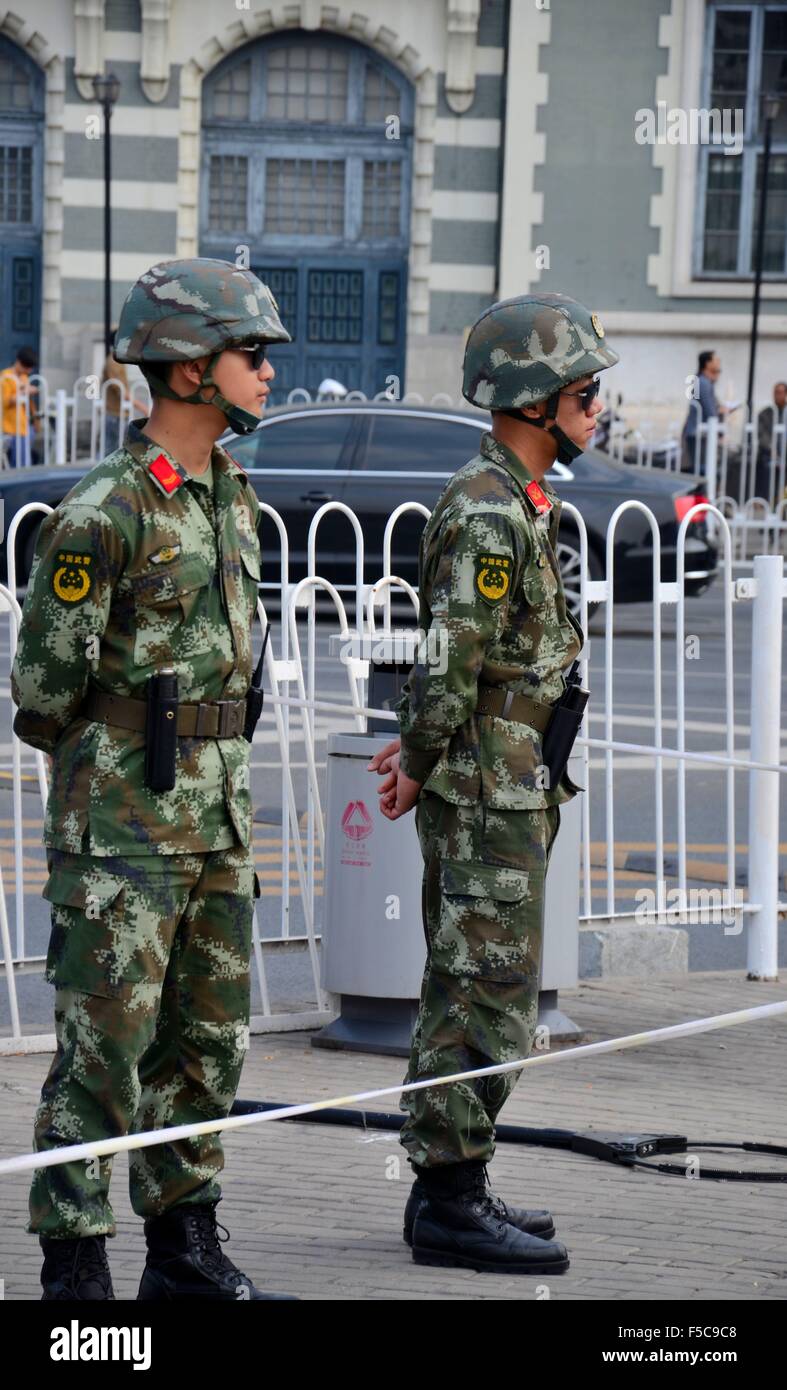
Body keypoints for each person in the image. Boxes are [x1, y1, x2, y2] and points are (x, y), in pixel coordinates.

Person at [11, 258, 297, 1301]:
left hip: (217, 816)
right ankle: (75, 1269)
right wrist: (123, 763)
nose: (268, 374)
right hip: (127, 827)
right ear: (186, 371)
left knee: (207, 1043)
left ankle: (183, 1249)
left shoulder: (229, 493)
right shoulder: (103, 509)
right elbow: (42, 689)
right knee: (102, 1049)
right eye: (252, 355)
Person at [368, 293, 619, 1275]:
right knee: (484, 991)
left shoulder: (511, 498)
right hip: (485, 793)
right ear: (535, 397)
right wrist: (419, 759)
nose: (595, 409)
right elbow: (447, 665)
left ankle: (457, 1178)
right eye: (585, 391)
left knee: (479, 987)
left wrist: (421, 753)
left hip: (509, 786)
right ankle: (448, 1201)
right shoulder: (483, 509)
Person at [681, 350, 726, 474]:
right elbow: (710, 410)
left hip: (699, 433)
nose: (718, 362)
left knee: (700, 468)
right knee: (701, 469)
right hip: (698, 433)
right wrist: (720, 431)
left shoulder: (702, 381)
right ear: (707, 363)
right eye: (715, 360)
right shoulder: (703, 382)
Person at [1, 345, 38, 468]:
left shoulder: (23, 377)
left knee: (24, 459)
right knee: (18, 461)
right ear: (20, 363)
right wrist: (23, 391)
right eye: (27, 367)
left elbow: (28, 401)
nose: (29, 371)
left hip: (23, 425)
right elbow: (5, 401)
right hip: (9, 426)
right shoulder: (5, 377)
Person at [755, 381, 787, 505]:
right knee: (767, 467)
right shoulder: (765, 414)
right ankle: (766, 502)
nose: (777, 396)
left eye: (780, 392)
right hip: (770, 455)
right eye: (775, 393)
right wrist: (771, 450)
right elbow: (762, 437)